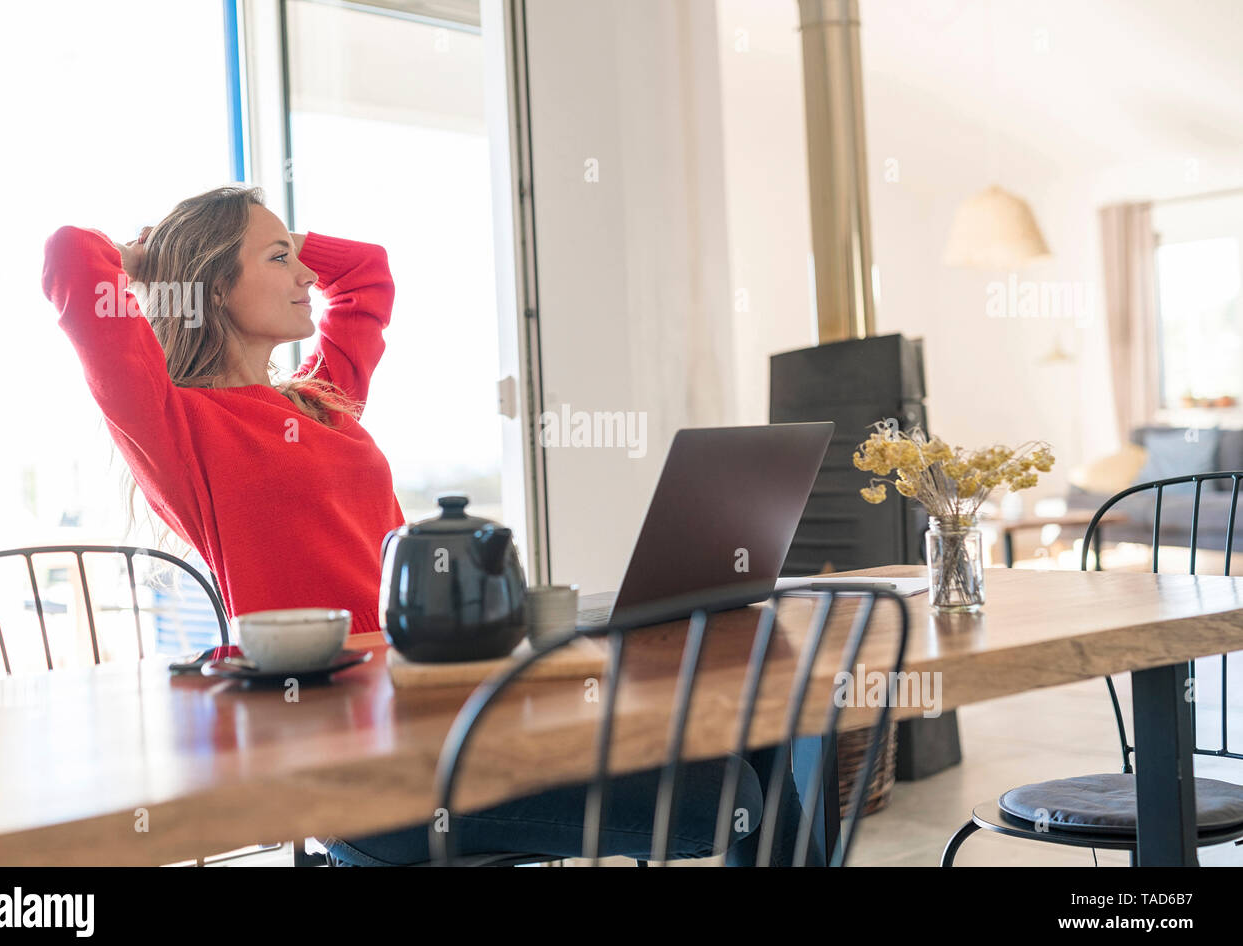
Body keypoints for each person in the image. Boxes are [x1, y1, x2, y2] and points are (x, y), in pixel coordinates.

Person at [42, 184, 802, 865]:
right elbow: (69, 259)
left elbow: (367, 274)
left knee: (764, 733)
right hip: (366, 776)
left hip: (447, 712)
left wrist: (281, 242)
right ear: (211, 286)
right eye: (280, 258)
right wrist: (148, 261)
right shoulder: (180, 429)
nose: (307, 274)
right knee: (723, 794)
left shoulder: (321, 403)